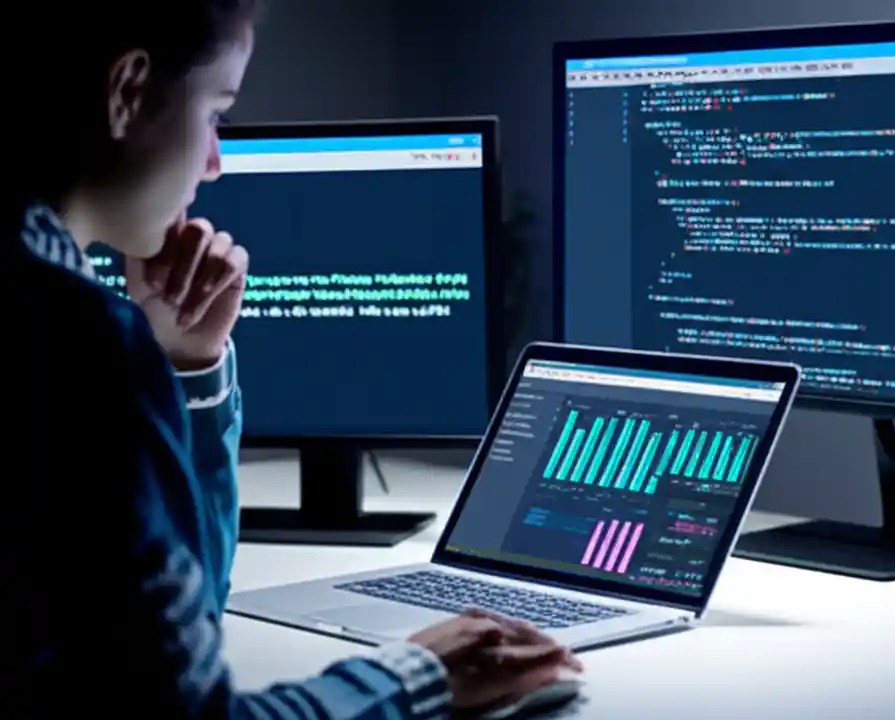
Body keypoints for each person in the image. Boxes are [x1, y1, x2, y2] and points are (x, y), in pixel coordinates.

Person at [1, 1, 581, 717]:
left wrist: (188, 363)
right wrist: (419, 675)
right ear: (126, 92)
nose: (215, 163)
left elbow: (181, 634)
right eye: (217, 114)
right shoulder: (72, 341)